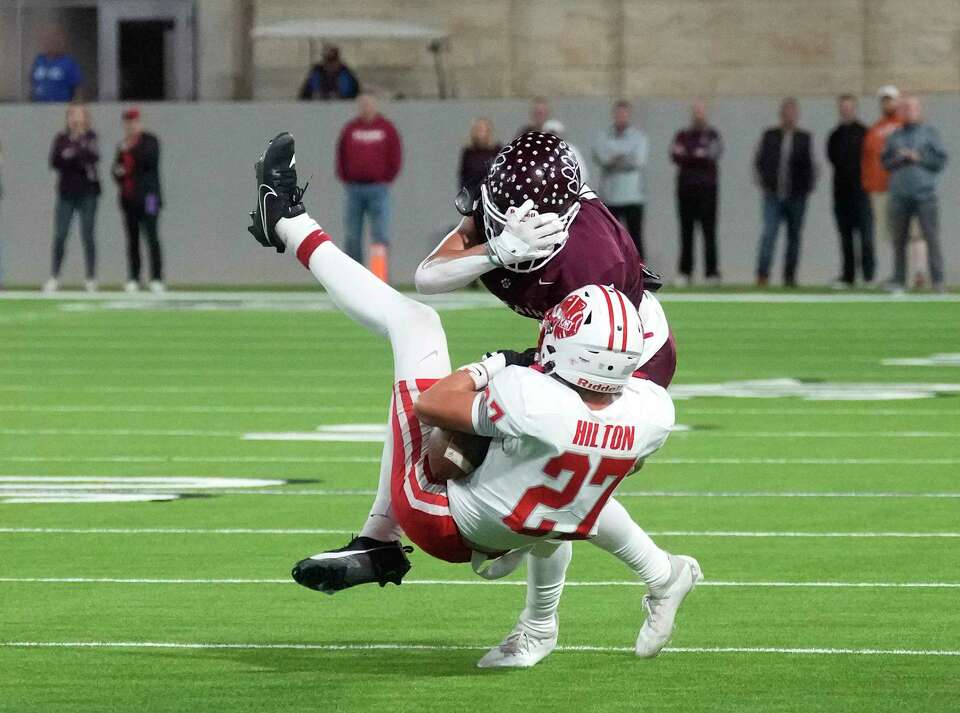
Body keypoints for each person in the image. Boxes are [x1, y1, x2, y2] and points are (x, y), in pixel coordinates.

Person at [246, 132, 702, 667]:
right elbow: (428, 276)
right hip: (594, 366)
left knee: (540, 465)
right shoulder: (522, 205)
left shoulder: (594, 274)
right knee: (557, 483)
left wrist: (496, 367)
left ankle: (510, 584)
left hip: (622, 360)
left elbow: (450, 398)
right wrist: (497, 250)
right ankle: (626, 584)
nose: (491, 214)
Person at [415, 130, 676, 389]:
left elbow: (588, 361)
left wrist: (506, 365)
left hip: (622, 351)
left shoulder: (593, 262)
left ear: (562, 217)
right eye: (501, 217)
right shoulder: (494, 201)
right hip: (563, 343)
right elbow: (427, 278)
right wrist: (496, 251)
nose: (505, 225)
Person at [881, 96, 948, 293]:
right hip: (900, 195)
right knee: (899, 240)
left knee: (931, 238)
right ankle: (899, 280)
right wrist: (899, 157)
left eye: (912, 108)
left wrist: (919, 157)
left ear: (919, 111)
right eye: (905, 109)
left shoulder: (930, 134)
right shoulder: (894, 136)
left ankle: (937, 281)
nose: (909, 112)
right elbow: (885, 163)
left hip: (925, 195)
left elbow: (940, 161)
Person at [862, 85, 926, 288]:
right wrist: (868, 184)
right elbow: (868, 159)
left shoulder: (907, 127)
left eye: (890, 99)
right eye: (884, 100)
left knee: (916, 232)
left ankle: (919, 273)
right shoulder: (874, 130)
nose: (887, 104)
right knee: (894, 236)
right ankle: (900, 275)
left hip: (905, 189)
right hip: (880, 190)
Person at [336, 93, 402, 281]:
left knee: (380, 236)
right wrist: (346, 177)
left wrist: (386, 178)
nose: (366, 108)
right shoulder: (350, 129)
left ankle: (379, 279)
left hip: (378, 189)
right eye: (362, 104)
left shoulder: (386, 129)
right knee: (352, 238)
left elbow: (395, 155)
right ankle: (354, 280)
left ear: (375, 105)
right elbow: (340, 155)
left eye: (369, 104)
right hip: (354, 189)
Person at [753, 97, 816, 287]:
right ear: (781, 114)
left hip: (796, 195)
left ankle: (790, 276)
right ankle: (762, 275)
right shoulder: (770, 135)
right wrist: (764, 182)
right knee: (769, 234)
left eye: (793, 113)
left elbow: (811, 166)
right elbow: (759, 160)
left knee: (794, 236)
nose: (790, 116)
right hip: (773, 194)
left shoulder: (804, 138)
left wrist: (806, 187)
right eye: (787, 112)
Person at [44, 102, 100, 293]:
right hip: (66, 192)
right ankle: (54, 276)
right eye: (72, 115)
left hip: (88, 193)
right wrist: (73, 155)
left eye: (79, 115)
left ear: (85, 117)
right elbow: (55, 160)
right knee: (60, 235)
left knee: (87, 234)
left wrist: (73, 154)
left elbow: (90, 157)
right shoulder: (61, 138)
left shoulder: (91, 137)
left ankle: (91, 277)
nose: (75, 119)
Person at [670, 100, 723, 286]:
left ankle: (712, 273)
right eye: (696, 111)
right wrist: (696, 155)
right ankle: (685, 272)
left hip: (707, 191)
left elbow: (712, 155)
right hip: (685, 191)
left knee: (709, 232)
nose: (699, 115)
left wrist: (690, 155)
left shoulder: (713, 135)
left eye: (702, 111)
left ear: (706, 114)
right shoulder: (682, 135)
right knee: (686, 233)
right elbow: (676, 155)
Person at [111, 108, 164, 293]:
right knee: (132, 240)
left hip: (149, 197)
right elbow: (116, 170)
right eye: (127, 123)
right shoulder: (122, 145)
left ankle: (156, 278)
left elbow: (147, 161)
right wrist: (120, 172)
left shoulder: (150, 141)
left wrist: (129, 155)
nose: (131, 126)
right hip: (130, 199)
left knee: (151, 236)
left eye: (134, 122)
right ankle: (134, 277)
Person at [827, 94, 874, 288]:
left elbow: (871, 160)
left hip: (861, 192)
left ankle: (868, 276)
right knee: (845, 237)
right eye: (843, 107)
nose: (846, 110)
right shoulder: (834, 135)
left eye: (849, 107)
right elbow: (832, 158)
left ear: (855, 109)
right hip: (841, 194)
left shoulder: (865, 132)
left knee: (866, 236)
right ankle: (848, 276)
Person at [593, 100, 649, 259]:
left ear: (629, 115)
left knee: (635, 237)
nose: (621, 117)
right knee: (611, 239)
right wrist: (624, 157)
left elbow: (638, 161)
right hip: (611, 197)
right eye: (618, 114)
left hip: (633, 197)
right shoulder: (604, 136)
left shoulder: (639, 136)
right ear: (614, 115)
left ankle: (640, 272)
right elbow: (602, 157)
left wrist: (614, 159)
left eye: (624, 114)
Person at [30, 26, 82, 103]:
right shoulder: (38, 61)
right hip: (38, 105)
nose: (51, 44)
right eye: (48, 41)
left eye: (55, 41)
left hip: (60, 105)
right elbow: (33, 83)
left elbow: (77, 86)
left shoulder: (68, 62)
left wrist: (77, 103)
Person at [458, 118, 501, 194]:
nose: (480, 134)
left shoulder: (497, 151)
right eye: (477, 130)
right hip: (472, 194)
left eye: (482, 130)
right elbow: (463, 176)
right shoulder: (469, 153)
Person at [542, 119, 589, 185]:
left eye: (555, 133)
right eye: (549, 133)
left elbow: (582, 173)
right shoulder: (539, 151)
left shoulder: (571, 150)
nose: (552, 136)